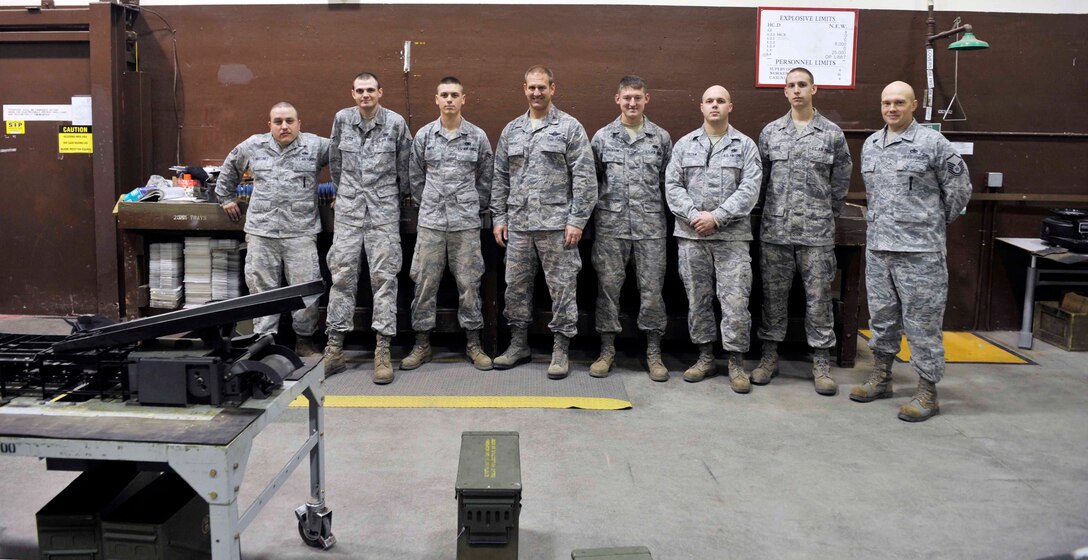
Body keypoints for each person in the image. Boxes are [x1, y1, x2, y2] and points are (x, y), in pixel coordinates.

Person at [849, 81, 971, 422]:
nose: (892, 108)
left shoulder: (933, 143)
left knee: (922, 323)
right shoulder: (872, 145)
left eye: (899, 102)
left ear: (913, 104)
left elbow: (960, 188)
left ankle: (927, 391)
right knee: (882, 318)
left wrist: (930, 224)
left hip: (920, 252)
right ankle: (882, 377)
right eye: (886, 102)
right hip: (879, 249)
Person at [490, 65, 598, 379]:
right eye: (531, 87)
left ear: (553, 88)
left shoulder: (569, 128)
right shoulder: (512, 130)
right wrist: (499, 217)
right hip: (520, 225)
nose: (536, 92)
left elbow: (585, 179)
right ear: (524, 89)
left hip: (557, 226)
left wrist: (577, 220)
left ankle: (560, 349)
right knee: (515, 287)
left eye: (542, 87)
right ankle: (519, 344)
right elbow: (500, 177)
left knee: (562, 288)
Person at [752, 67, 853, 395]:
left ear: (813, 89)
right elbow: (761, 183)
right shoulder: (771, 132)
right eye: (791, 85)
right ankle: (769, 357)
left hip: (816, 234)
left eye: (802, 85)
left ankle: (821, 362)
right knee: (772, 298)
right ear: (785, 91)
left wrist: (824, 214)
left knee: (819, 298)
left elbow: (840, 182)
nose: (796, 90)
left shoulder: (832, 134)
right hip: (776, 232)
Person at [665, 85, 761, 394]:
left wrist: (717, 217)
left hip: (732, 238)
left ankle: (735, 362)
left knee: (736, 301)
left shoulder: (745, 146)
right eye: (709, 101)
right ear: (702, 107)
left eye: (721, 101)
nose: (715, 105)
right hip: (692, 236)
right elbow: (672, 185)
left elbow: (750, 189)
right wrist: (694, 215)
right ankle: (705, 357)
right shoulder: (684, 145)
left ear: (730, 106)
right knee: (697, 300)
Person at [215, 102, 330, 356]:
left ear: (299, 123)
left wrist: (342, 192)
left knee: (307, 290)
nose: (284, 126)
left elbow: (346, 161)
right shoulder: (253, 145)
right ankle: (265, 343)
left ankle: (304, 342)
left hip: (301, 232)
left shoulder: (316, 146)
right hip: (262, 232)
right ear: (270, 125)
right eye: (278, 122)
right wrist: (226, 198)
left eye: (289, 121)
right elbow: (230, 166)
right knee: (262, 291)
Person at [323, 72, 412, 384]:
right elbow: (335, 162)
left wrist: (390, 198)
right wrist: (346, 193)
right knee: (341, 278)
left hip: (383, 213)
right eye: (360, 90)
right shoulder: (342, 120)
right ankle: (334, 349)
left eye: (370, 90)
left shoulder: (396, 123)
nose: (365, 95)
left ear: (380, 92)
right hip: (349, 213)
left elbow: (405, 167)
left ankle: (383, 350)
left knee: (385, 280)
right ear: (353, 93)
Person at [402, 76, 494, 371]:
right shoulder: (424, 136)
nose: (450, 99)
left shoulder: (477, 136)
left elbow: (487, 176)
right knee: (424, 284)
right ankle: (421, 344)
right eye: (444, 95)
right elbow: (415, 176)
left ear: (463, 99)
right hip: (431, 223)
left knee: (469, 284)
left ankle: (474, 343)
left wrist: (472, 204)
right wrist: (429, 202)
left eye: (455, 94)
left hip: (465, 224)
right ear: (437, 99)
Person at [588, 75, 673, 382]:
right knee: (608, 291)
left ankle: (653, 351)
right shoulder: (602, 138)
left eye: (637, 97)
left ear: (646, 99)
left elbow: (667, 184)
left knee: (652, 292)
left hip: (650, 229)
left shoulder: (660, 138)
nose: (632, 103)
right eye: (627, 98)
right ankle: (606, 350)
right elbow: (593, 182)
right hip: (611, 228)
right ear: (618, 100)